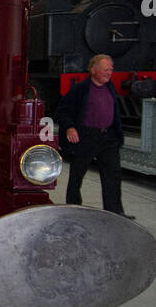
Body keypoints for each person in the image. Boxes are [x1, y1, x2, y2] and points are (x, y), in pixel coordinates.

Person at [56, 53, 133, 218]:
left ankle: (115, 212)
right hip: (87, 137)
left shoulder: (110, 87)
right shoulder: (80, 89)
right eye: (105, 70)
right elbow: (63, 110)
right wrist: (70, 128)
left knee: (113, 175)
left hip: (108, 137)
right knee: (77, 174)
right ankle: (73, 208)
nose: (108, 73)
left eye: (111, 70)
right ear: (93, 70)